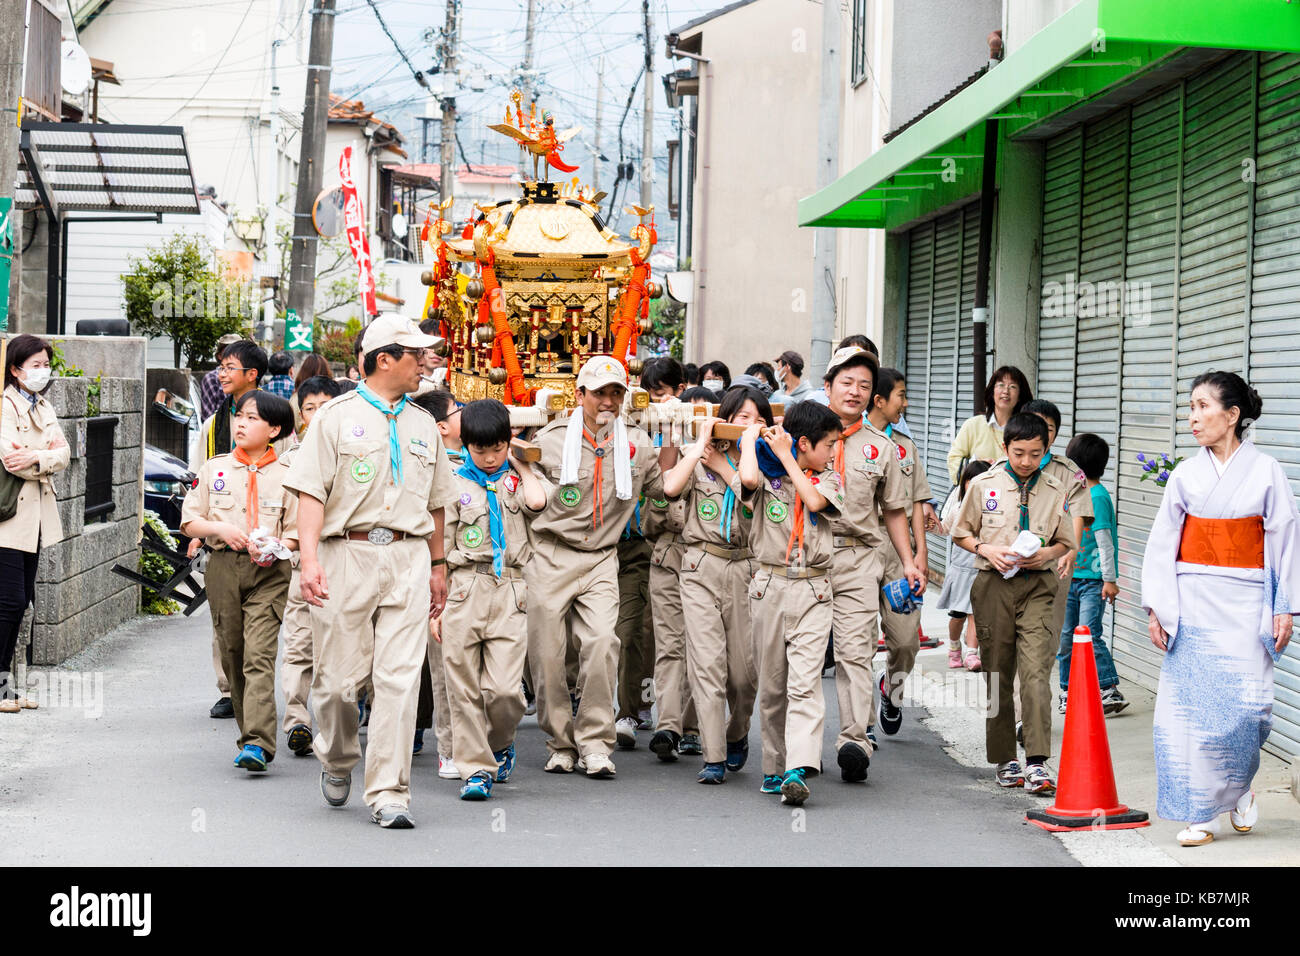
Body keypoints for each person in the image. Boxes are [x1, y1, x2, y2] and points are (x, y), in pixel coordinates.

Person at [285, 314, 459, 829]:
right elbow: (311, 493)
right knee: (338, 685)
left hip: (407, 557)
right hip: (346, 557)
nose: (426, 361)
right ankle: (338, 758)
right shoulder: (334, 418)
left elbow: (438, 503)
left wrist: (439, 564)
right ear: (385, 359)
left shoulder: (425, 423)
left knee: (399, 681)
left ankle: (389, 792)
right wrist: (310, 559)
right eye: (416, 353)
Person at [1142, 371, 1299, 848]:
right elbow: (1163, 543)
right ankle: (1201, 812)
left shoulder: (1266, 469)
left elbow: (1285, 538)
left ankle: (1239, 784)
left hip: (1247, 598)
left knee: (1246, 709)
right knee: (1190, 713)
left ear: (1232, 416)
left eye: (1202, 407)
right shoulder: (1186, 475)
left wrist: (1285, 605)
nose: (1192, 418)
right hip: (1193, 602)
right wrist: (1158, 609)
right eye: (1190, 407)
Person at [525, 355, 666, 778]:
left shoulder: (637, 445)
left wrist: (695, 448)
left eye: (615, 393)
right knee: (548, 656)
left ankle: (595, 743)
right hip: (551, 554)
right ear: (580, 394)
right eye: (599, 392)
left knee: (604, 644)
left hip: (603, 557)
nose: (608, 401)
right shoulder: (548, 441)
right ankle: (560, 743)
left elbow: (663, 489)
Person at [951, 413, 1076, 795]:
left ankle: (1037, 762)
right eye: (1019, 452)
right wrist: (986, 548)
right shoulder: (983, 484)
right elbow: (961, 532)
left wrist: (1046, 555)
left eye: (1035, 454)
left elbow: (1065, 541)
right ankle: (1005, 758)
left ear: (1045, 451)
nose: (1026, 461)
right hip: (993, 586)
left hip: (1038, 585)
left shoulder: (1056, 488)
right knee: (998, 672)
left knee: (1037, 672)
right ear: (1005, 448)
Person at [181, 391, 298, 771]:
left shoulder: (290, 476)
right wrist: (219, 528)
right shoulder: (214, 469)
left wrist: (280, 543)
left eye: (251, 418)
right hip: (223, 567)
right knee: (233, 651)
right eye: (239, 416)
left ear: (274, 429)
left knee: (259, 655)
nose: (241, 424)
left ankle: (258, 744)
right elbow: (189, 522)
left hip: (270, 572)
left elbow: (298, 530)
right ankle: (251, 731)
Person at [440, 399, 550, 800]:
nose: (489, 458)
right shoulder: (451, 483)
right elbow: (440, 541)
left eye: (498, 448)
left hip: (510, 589)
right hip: (464, 586)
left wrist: (520, 463)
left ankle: (500, 742)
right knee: (464, 688)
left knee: (504, 690)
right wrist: (436, 603)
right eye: (480, 450)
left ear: (509, 442)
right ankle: (476, 770)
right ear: (465, 445)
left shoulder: (518, 480)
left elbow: (538, 503)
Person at [739, 401, 845, 806]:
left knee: (805, 684)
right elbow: (747, 477)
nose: (833, 452)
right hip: (769, 586)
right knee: (771, 686)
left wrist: (787, 455)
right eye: (829, 444)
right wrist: (751, 438)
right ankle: (775, 766)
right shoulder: (767, 474)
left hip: (814, 590)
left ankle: (799, 768)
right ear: (806, 442)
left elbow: (815, 503)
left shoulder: (830, 478)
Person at [661, 386, 769, 783]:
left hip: (745, 568)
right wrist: (700, 444)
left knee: (743, 673)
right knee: (706, 663)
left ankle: (737, 731)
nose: (751, 425)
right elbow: (670, 487)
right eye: (743, 417)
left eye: (759, 419)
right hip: (700, 565)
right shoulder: (700, 457)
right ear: (725, 419)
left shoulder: (766, 462)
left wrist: (727, 466)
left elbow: (751, 492)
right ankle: (713, 755)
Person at [821, 349, 919, 779]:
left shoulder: (884, 450)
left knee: (856, 653)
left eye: (864, 385)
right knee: (794, 657)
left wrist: (909, 561)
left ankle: (854, 742)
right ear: (828, 386)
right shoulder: (798, 434)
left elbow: (895, 510)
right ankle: (795, 747)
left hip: (860, 557)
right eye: (847, 382)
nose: (855, 392)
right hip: (805, 555)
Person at [191, 339, 276, 720]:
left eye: (229, 367)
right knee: (224, 620)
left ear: (252, 374)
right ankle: (228, 688)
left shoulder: (277, 416)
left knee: (264, 629)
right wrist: (198, 528)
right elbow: (200, 475)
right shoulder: (214, 422)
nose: (221, 374)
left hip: (270, 541)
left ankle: (261, 697)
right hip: (225, 535)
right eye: (220, 367)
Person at [627, 357, 701, 759]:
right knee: (669, 643)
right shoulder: (648, 434)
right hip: (667, 552)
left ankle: (693, 725)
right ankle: (668, 726)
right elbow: (662, 494)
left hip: (709, 559)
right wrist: (671, 440)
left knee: (702, 647)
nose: (662, 402)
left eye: (666, 393)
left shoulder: (715, 453)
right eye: (654, 394)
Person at [0, 335, 70, 713]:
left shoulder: (43, 405)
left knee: (22, 602)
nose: (43, 371)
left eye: (46, 363)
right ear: (15, 369)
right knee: (9, 602)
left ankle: (6, 689)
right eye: (35, 364)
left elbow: (66, 453)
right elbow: (12, 460)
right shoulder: (5, 405)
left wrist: (40, 457)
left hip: (36, 518)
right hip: (8, 518)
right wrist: (46, 457)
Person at [867, 367, 934, 741]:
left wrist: (920, 552)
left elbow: (917, 500)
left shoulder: (906, 445)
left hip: (900, 550)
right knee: (856, 641)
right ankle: (860, 726)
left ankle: (891, 690)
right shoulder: (849, 440)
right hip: (860, 544)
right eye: (901, 396)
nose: (905, 404)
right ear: (879, 400)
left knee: (906, 640)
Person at [280, 376, 341, 757]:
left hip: (345, 563)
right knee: (299, 644)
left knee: (340, 647)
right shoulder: (288, 461)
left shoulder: (357, 455)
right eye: (309, 407)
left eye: (325, 406)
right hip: (301, 564)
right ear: (300, 415)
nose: (318, 414)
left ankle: (343, 715)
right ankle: (297, 719)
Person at [412, 387, 463, 778]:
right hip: (438, 574)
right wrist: (436, 568)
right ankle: (447, 745)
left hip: (478, 577)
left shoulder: (482, 461)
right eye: (457, 410)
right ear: (440, 426)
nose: (464, 414)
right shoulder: (425, 463)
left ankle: (485, 742)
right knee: (442, 665)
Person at [1056, 433, 1125, 715]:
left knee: (1089, 634)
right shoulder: (1074, 496)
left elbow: (1105, 542)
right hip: (1069, 579)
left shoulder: (1097, 498)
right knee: (1065, 638)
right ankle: (1067, 691)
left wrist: (1109, 579)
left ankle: (1108, 688)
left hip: (1092, 582)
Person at [937, 460, 991, 670]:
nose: (975, 485)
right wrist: (932, 525)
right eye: (971, 480)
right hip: (960, 571)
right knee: (957, 615)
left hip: (980, 569)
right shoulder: (958, 507)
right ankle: (953, 648)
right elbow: (944, 529)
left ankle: (971, 653)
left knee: (975, 614)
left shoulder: (992, 509)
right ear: (964, 483)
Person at [947, 366, 1032, 484]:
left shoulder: (1026, 430)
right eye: (1001, 385)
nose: (1006, 391)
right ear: (992, 392)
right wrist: (976, 467)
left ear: (1020, 396)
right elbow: (954, 460)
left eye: (1012, 386)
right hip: (976, 495)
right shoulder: (973, 425)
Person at [200, 333, 245, 421]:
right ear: (219, 356)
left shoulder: (247, 375)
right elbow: (208, 418)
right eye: (227, 351)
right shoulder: (212, 379)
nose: (232, 355)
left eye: (236, 351)